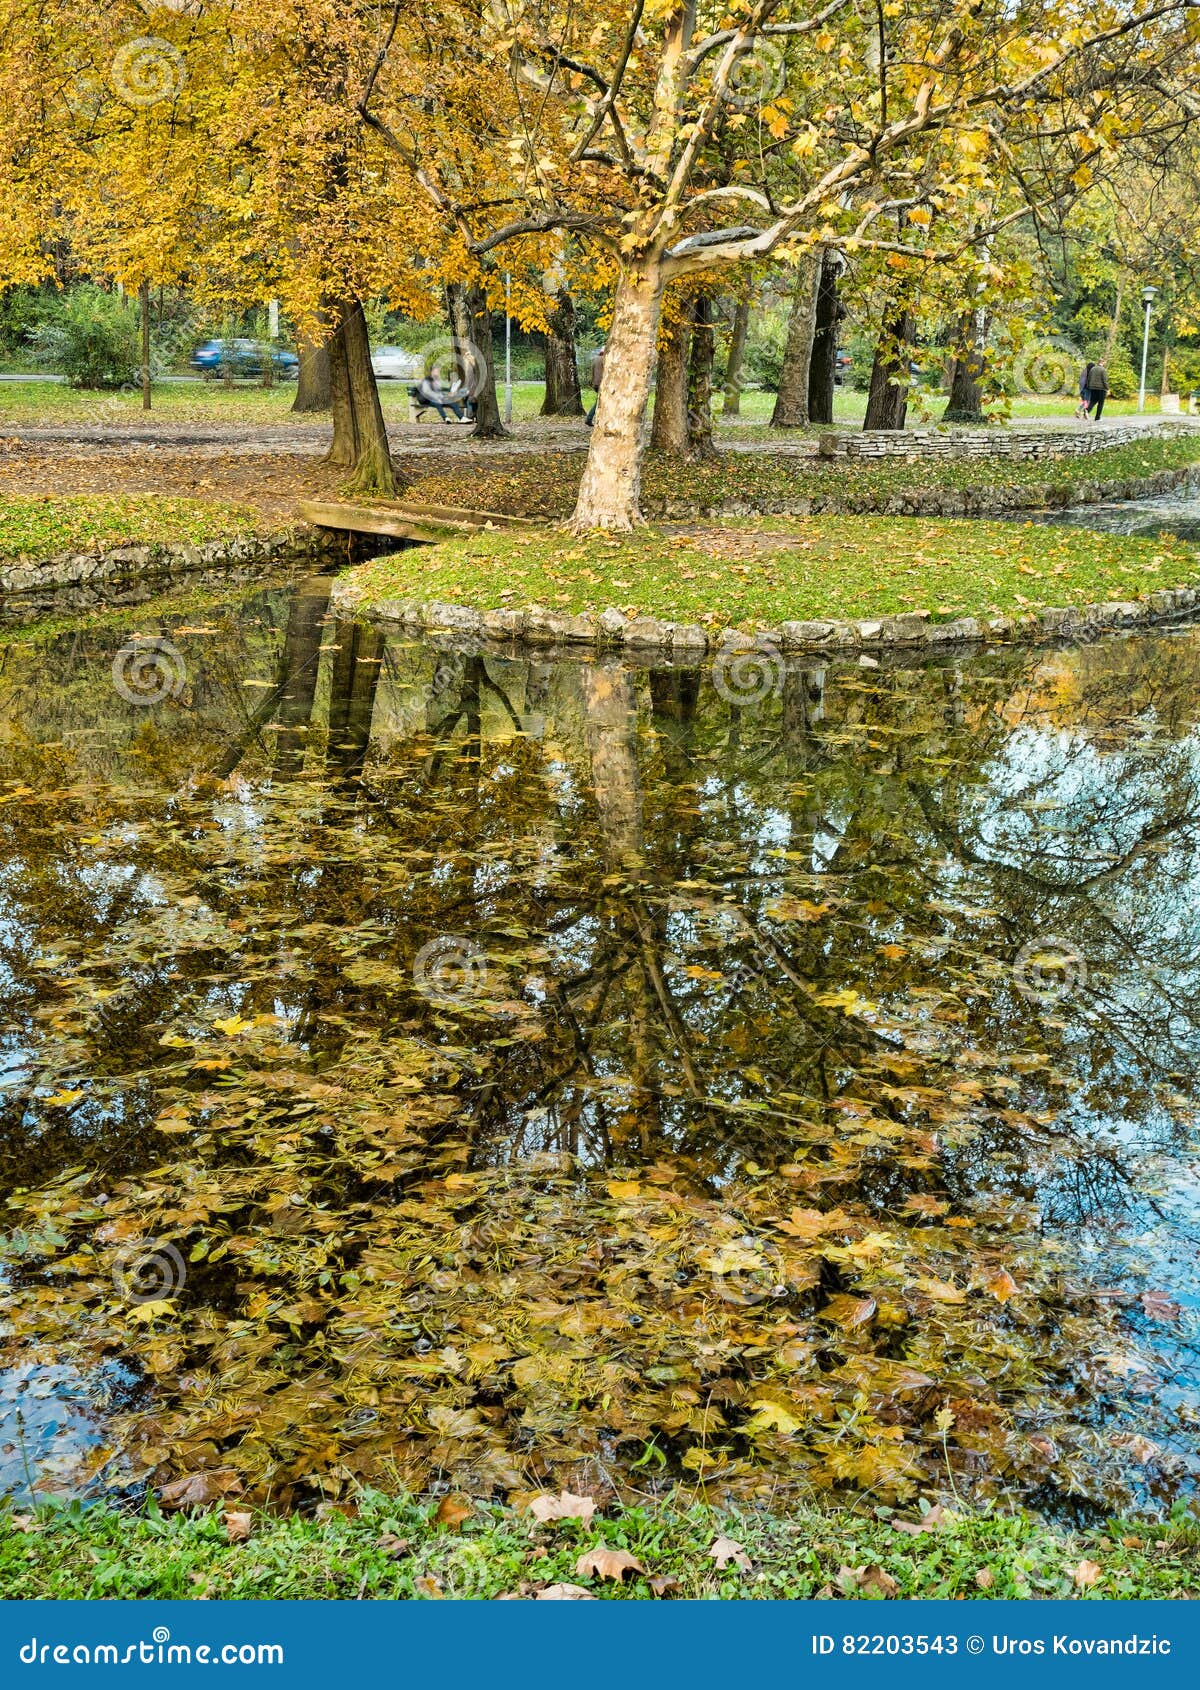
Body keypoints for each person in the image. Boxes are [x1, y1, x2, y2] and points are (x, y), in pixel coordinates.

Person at [584, 343, 606, 427]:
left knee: (600, 402)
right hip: (602, 384)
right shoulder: (605, 360)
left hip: (595, 384)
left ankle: (593, 419)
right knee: (599, 402)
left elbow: (592, 373)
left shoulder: (595, 359)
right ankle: (589, 419)